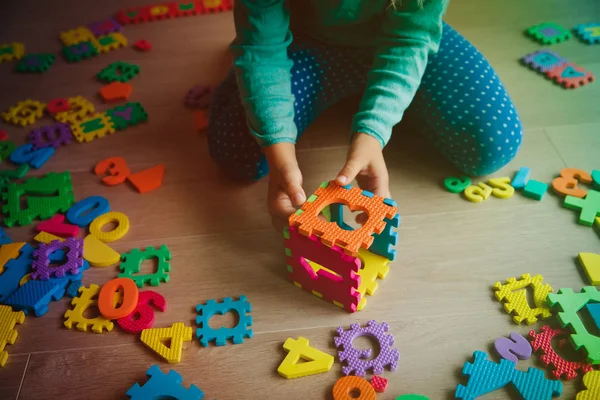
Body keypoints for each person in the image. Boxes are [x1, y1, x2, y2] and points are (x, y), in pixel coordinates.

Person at [208, 0, 523, 232]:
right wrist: (279, 151)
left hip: (401, 36)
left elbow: (411, 39)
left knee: (494, 144)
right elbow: (263, 51)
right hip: (304, 42)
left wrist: (374, 130)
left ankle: (384, 93)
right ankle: (373, 93)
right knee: (240, 153)